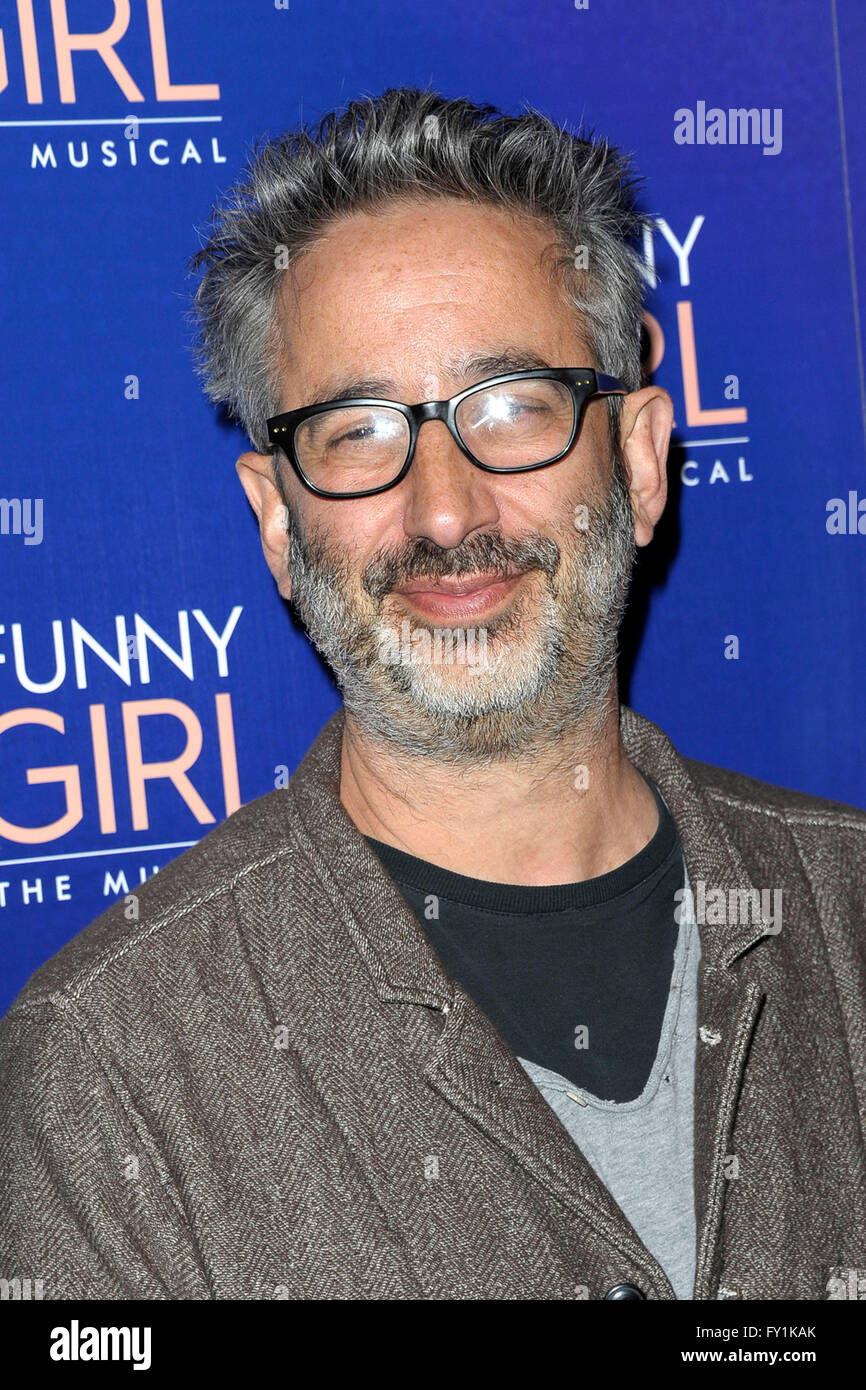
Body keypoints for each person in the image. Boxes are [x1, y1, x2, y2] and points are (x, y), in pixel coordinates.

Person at [2, 87, 864, 1302]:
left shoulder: (848, 917)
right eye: (357, 431)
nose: (446, 511)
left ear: (635, 459)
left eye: (511, 408)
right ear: (275, 522)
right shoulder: (110, 1074)